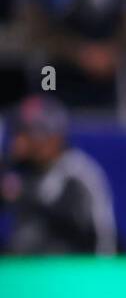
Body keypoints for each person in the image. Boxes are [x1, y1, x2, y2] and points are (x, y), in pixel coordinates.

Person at [1, 95, 117, 255]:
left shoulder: (77, 172)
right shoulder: (19, 170)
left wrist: (24, 195)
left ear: (53, 137)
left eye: (28, 133)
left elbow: (80, 229)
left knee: (33, 234)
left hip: (82, 266)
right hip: (34, 268)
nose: (21, 140)